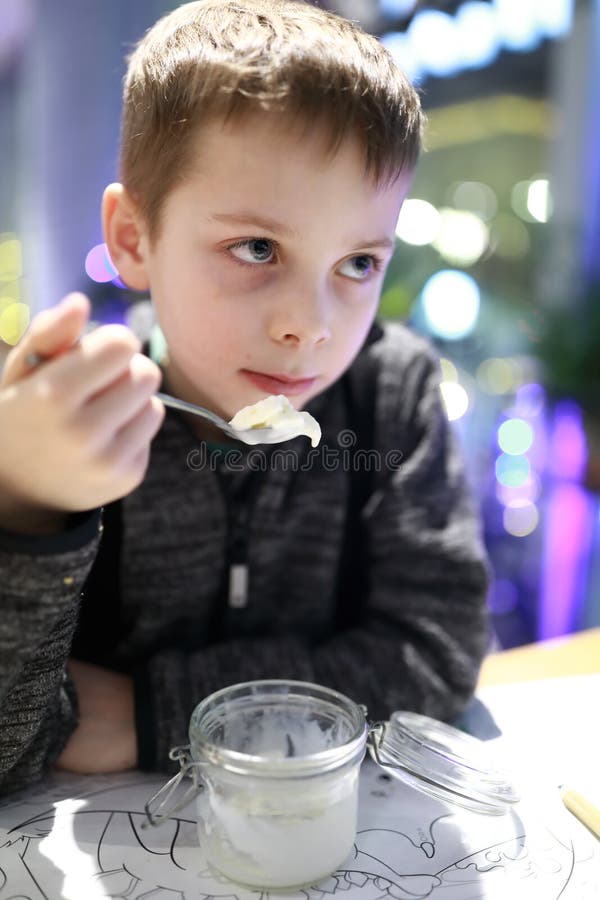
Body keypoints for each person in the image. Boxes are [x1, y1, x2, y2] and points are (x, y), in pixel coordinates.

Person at [0, 0, 489, 794]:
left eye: (359, 263)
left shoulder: (390, 398)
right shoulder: (71, 417)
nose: (311, 326)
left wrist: (151, 715)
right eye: (257, 248)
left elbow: (436, 651)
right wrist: (22, 501)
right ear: (134, 238)